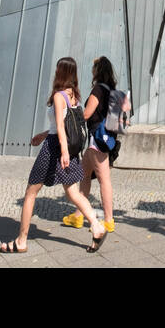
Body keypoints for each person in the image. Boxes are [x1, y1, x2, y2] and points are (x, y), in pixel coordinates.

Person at [0, 57, 106, 253]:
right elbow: (63, 124)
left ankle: (22, 240)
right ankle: (97, 226)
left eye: (58, 69)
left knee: (30, 193)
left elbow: (60, 126)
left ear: (61, 72)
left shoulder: (58, 96)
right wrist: (42, 135)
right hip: (65, 148)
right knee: (73, 192)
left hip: (54, 149)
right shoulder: (73, 96)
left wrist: (63, 152)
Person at [62, 56, 127, 233]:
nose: (91, 71)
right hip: (104, 139)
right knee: (84, 177)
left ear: (97, 71)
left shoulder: (98, 89)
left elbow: (87, 114)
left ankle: (108, 220)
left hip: (96, 140)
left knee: (104, 180)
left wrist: (71, 113)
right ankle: (78, 215)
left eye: (93, 68)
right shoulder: (111, 89)